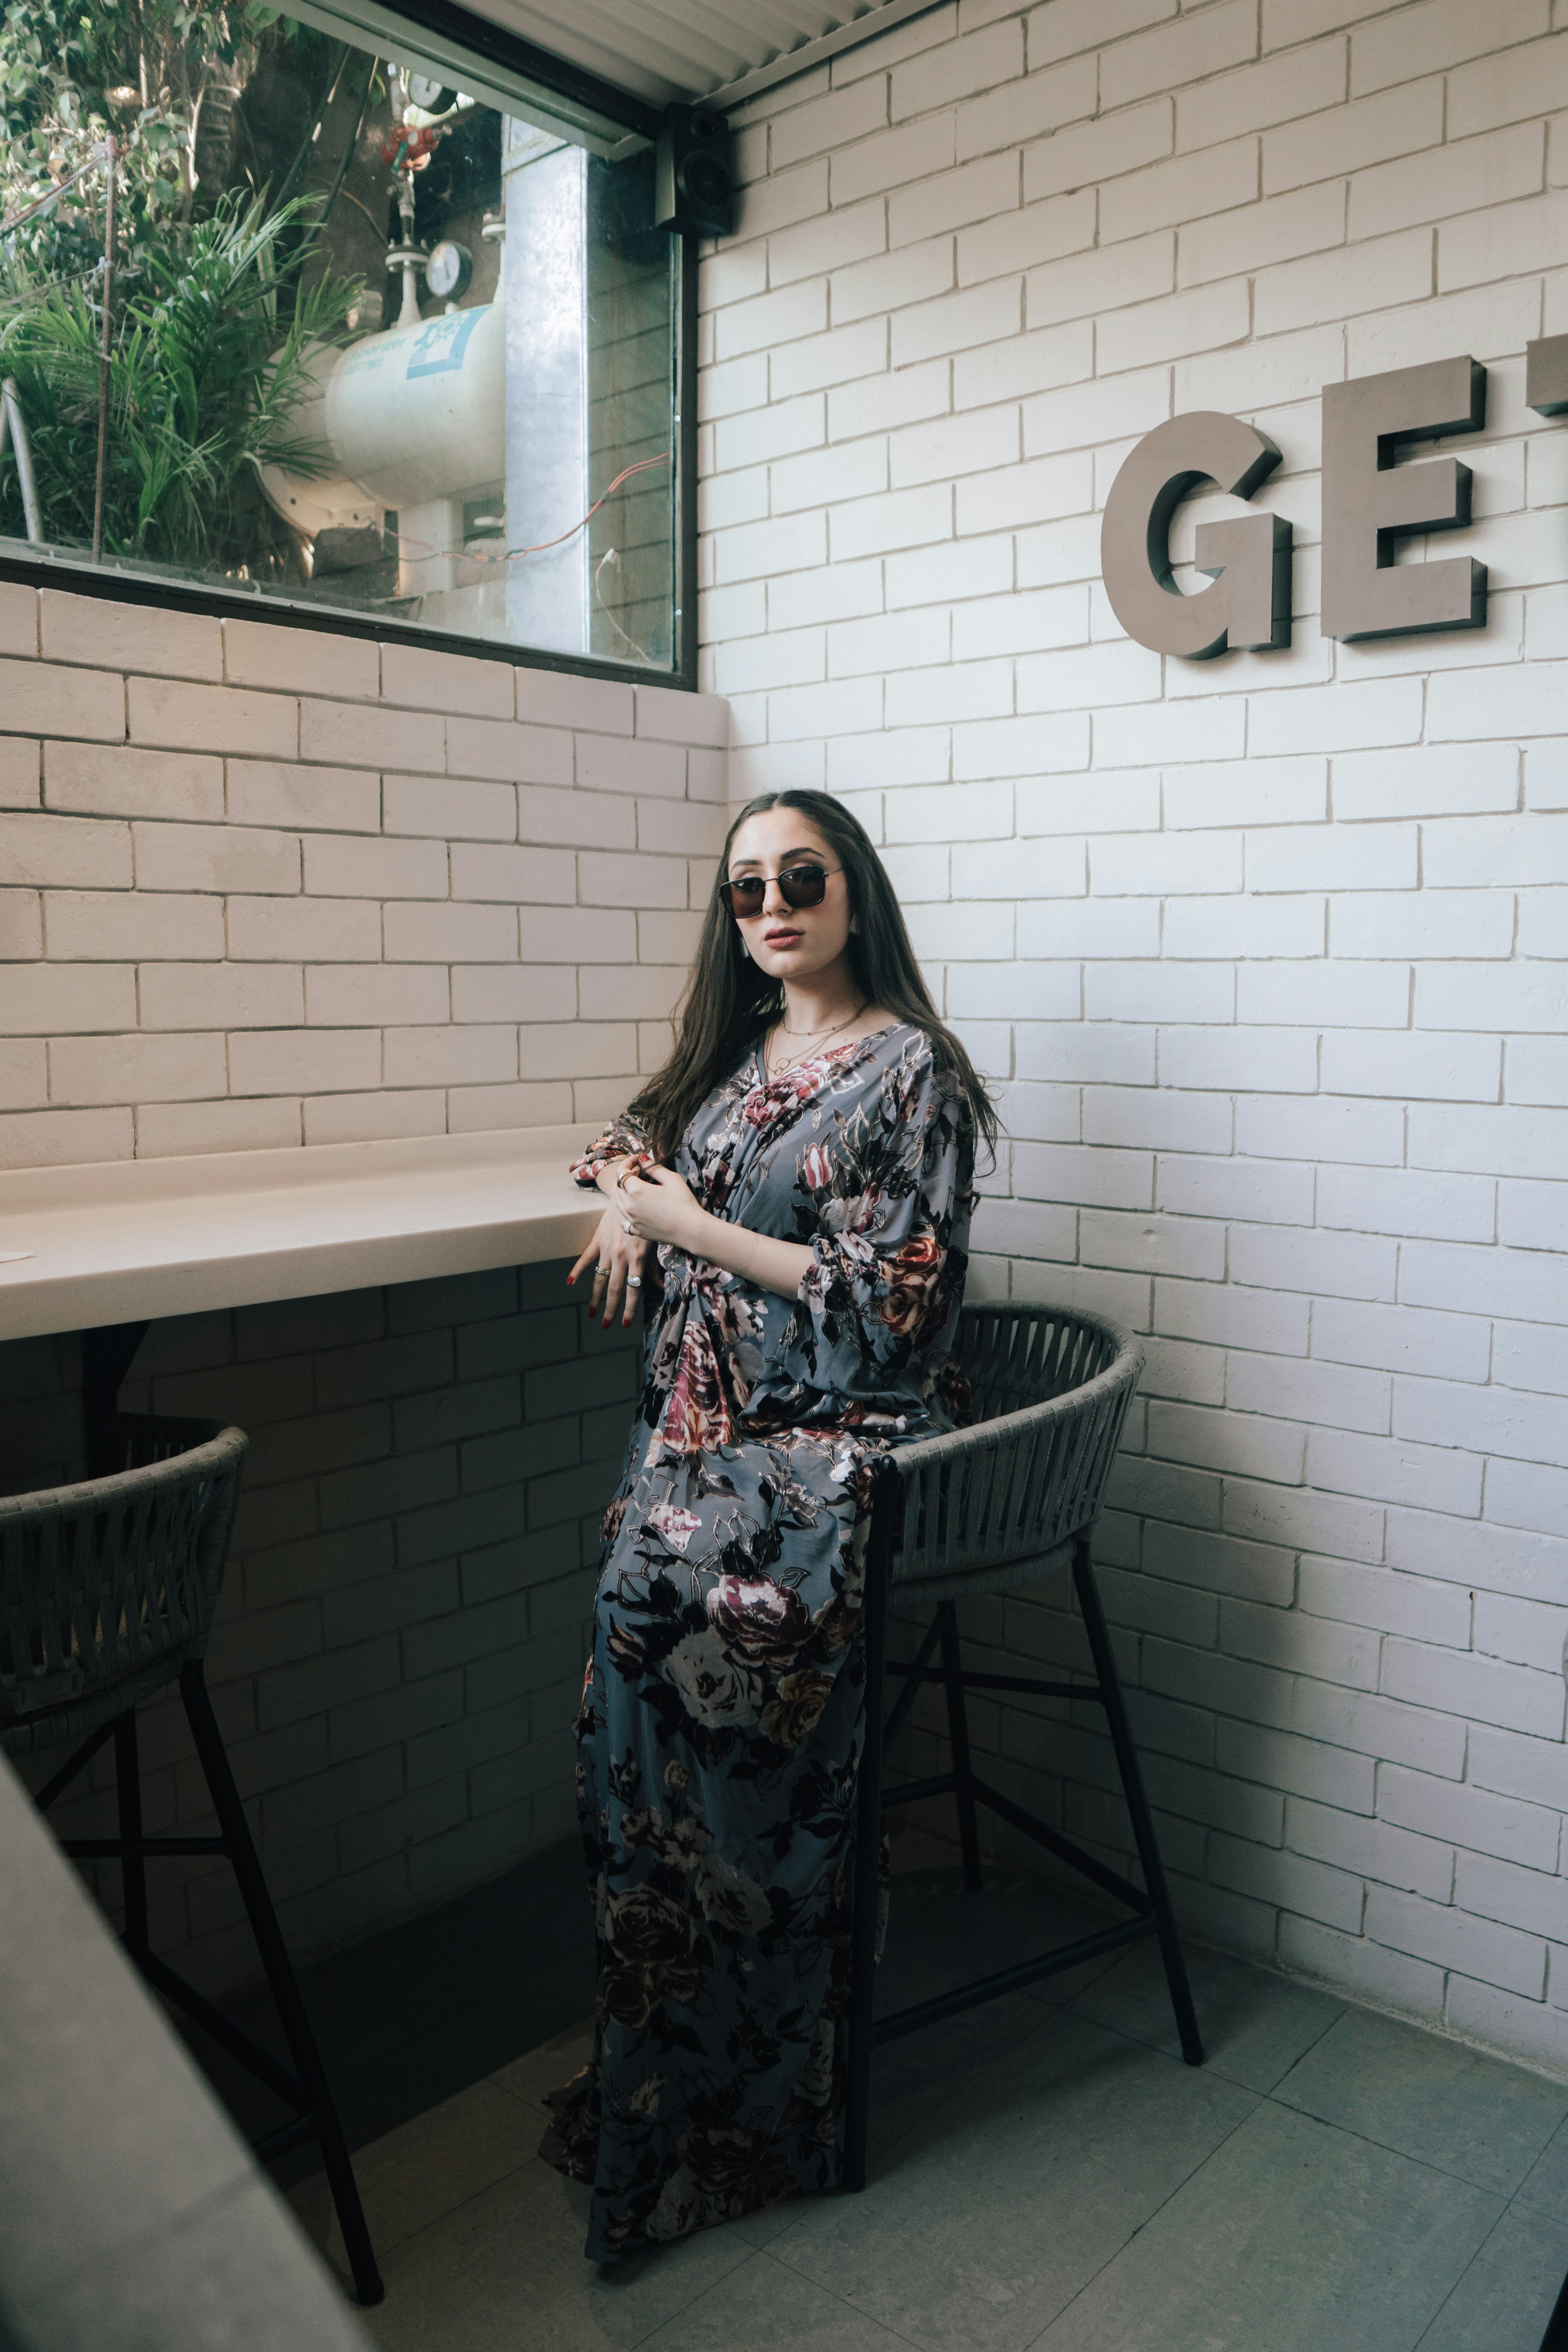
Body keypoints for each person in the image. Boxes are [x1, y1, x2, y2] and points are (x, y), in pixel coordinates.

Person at [540, 787, 999, 2261]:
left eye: (801, 876)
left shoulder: (910, 1069)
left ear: (854, 889)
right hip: (696, 1449)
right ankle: (654, 2085)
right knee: (624, 1658)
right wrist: (626, 1194)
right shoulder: (734, 1053)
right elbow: (628, 1135)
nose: (772, 906)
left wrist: (684, 1226)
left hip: (827, 1455)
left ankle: (760, 2101)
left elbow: (886, 1310)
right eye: (745, 889)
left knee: (681, 1636)